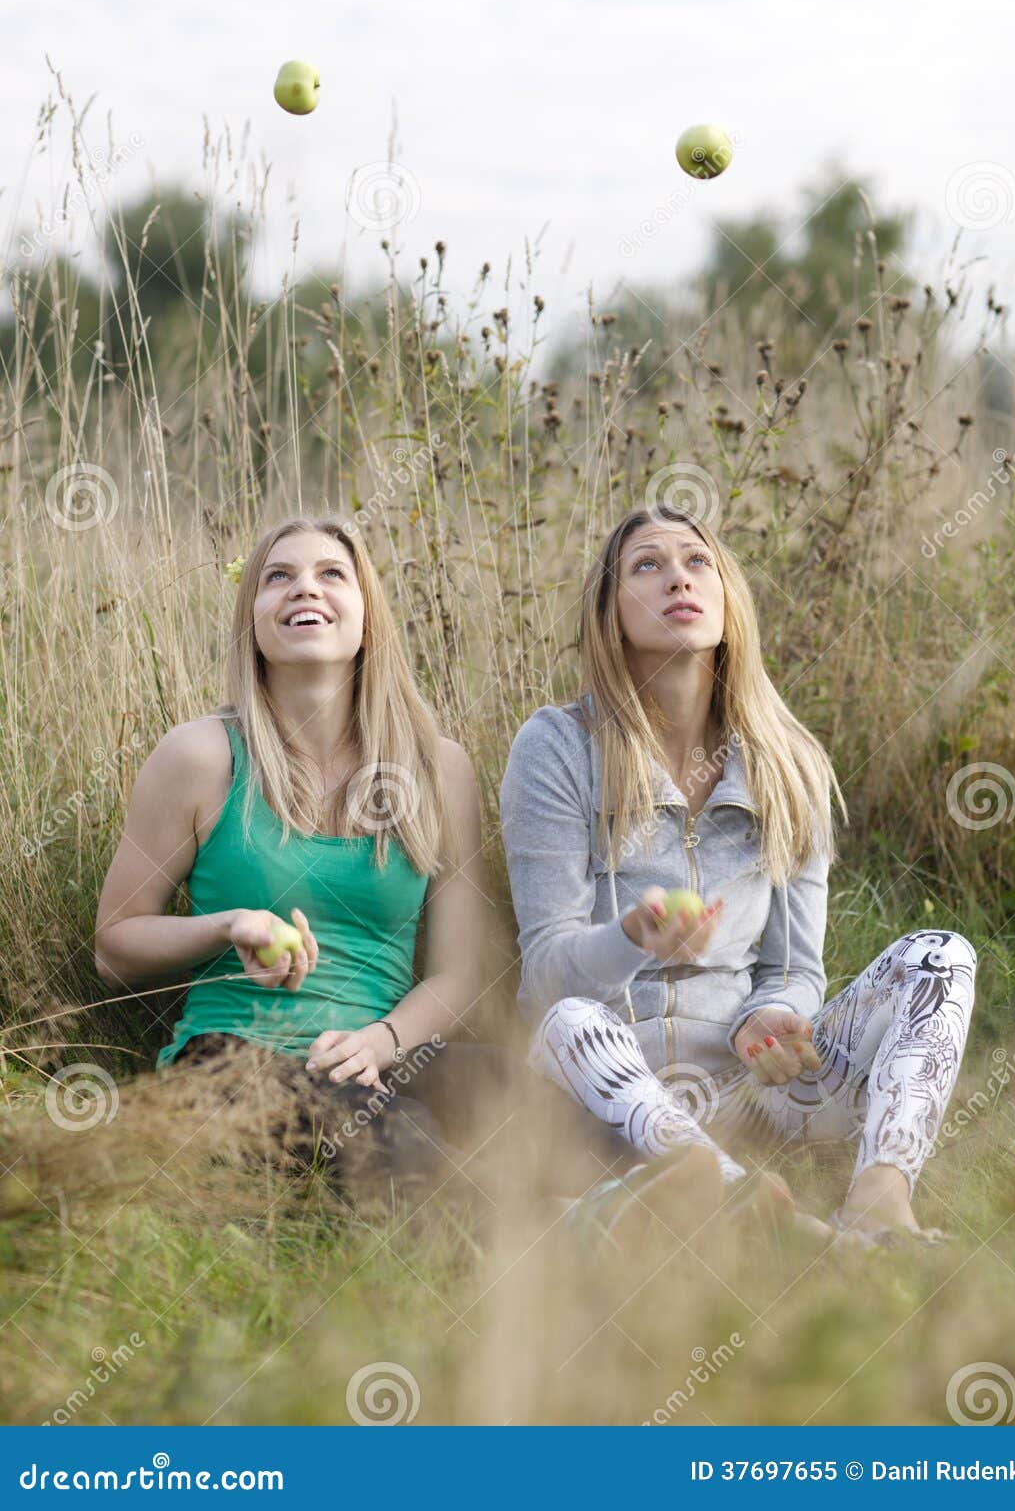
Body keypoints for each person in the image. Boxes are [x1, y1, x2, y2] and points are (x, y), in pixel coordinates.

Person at [93, 515, 632, 1216]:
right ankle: (573, 1235)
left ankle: (713, 1216)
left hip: (385, 1055)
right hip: (231, 1059)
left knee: (561, 1121)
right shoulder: (200, 756)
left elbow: (461, 970)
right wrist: (226, 924)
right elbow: (115, 946)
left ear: (367, 617)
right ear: (251, 619)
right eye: (276, 577)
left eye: (330, 573)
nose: (301, 588)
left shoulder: (437, 767)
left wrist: (384, 1041)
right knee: (404, 1144)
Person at [499, 504, 977, 1244]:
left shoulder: (788, 762)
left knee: (940, 955)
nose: (678, 579)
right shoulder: (559, 745)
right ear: (609, 614)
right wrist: (630, 938)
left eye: (697, 562)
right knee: (568, 1020)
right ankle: (774, 1224)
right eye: (646, 566)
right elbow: (547, 981)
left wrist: (768, 1015)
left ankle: (879, 1198)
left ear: (727, 598)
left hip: (747, 1097)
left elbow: (794, 968)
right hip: (602, 1095)